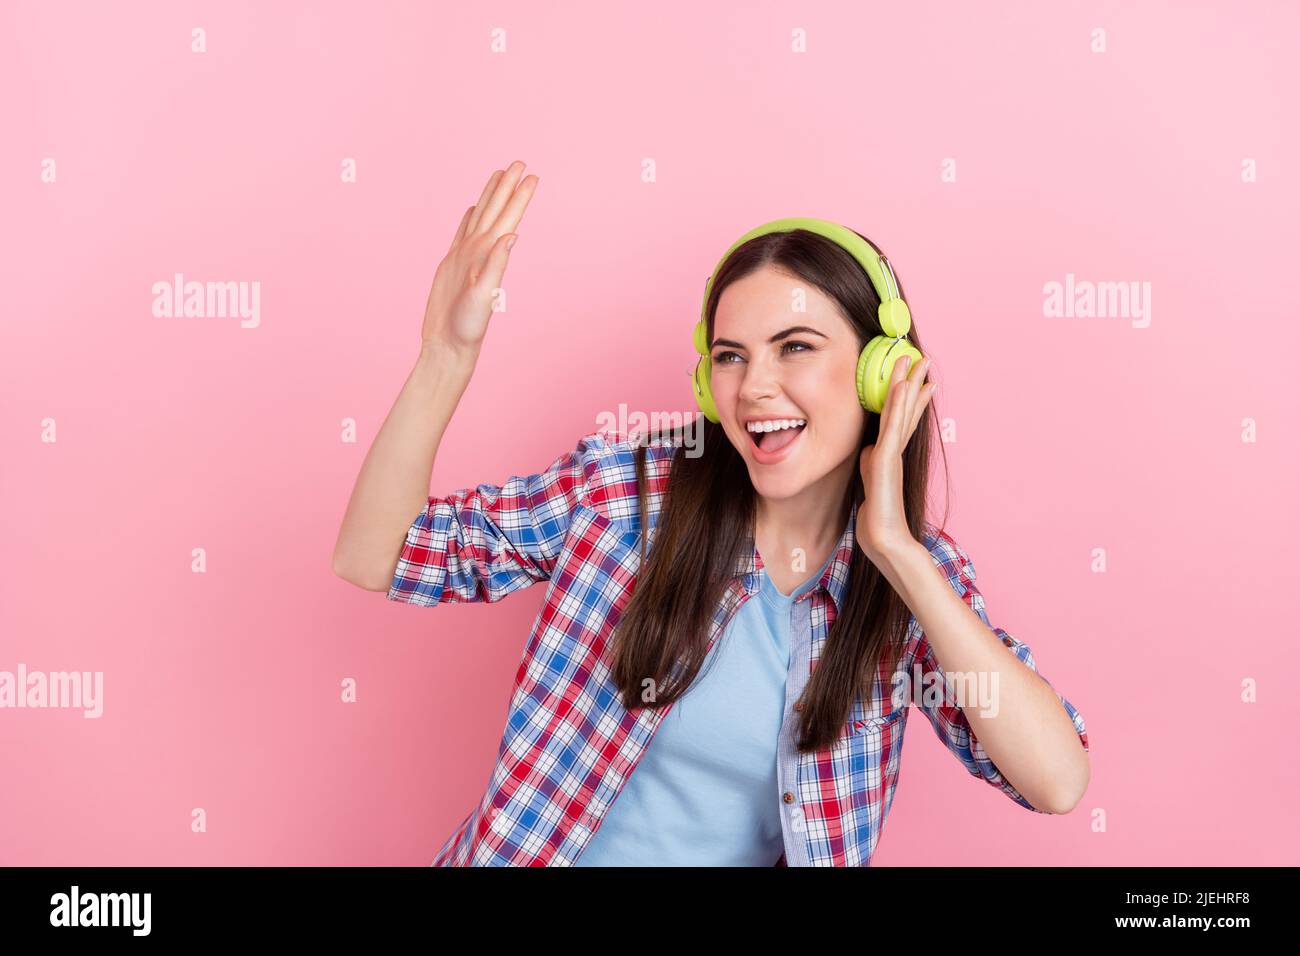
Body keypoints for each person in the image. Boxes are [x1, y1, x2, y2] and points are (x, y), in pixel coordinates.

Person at [332, 160, 1091, 866]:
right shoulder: (626, 496)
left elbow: (1056, 782)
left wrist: (896, 550)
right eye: (730, 356)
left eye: (795, 347)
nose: (754, 386)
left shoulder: (915, 582)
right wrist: (444, 355)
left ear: (879, 374)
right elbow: (379, 555)